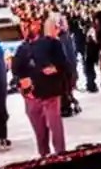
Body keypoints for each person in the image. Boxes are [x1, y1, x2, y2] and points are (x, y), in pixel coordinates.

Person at [13, 14, 69, 156]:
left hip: (50, 95)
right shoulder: (21, 49)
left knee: (56, 130)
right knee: (40, 134)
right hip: (32, 98)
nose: (26, 28)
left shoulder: (52, 43)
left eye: (30, 24)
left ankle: (61, 158)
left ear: (39, 26)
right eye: (24, 25)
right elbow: (16, 72)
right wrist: (22, 86)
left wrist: (55, 69)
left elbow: (64, 65)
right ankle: (44, 159)